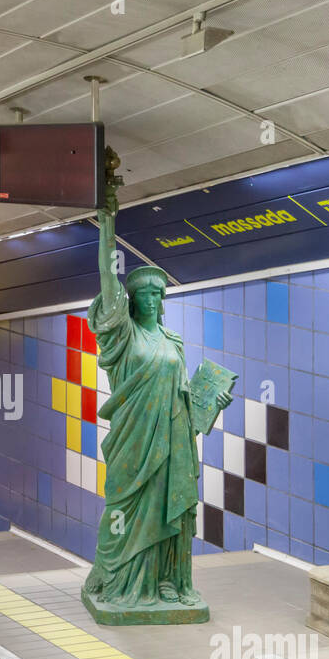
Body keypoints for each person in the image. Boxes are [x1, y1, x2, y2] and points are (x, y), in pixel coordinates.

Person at [81, 150, 231, 611]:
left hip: (171, 444)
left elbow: (183, 397)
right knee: (123, 511)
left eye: (158, 293)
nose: (152, 298)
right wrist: (108, 224)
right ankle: (116, 579)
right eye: (144, 292)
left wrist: (209, 402)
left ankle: (165, 583)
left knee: (170, 509)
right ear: (132, 300)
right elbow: (109, 279)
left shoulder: (172, 342)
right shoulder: (123, 338)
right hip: (134, 444)